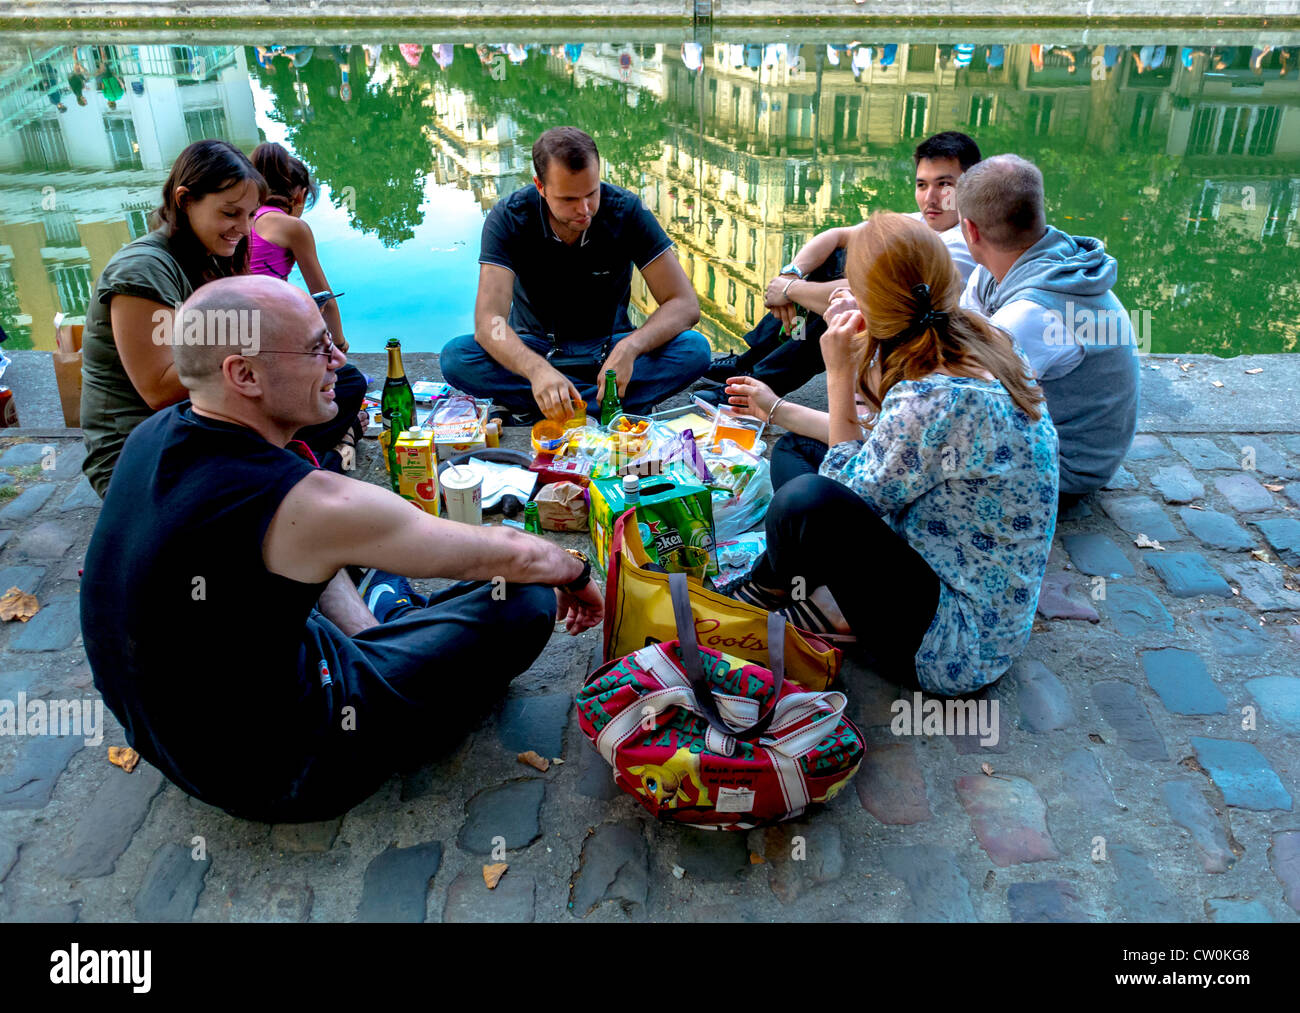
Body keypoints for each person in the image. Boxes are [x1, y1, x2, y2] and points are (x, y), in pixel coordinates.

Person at [81, 275, 604, 822]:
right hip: (282, 767)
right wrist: (572, 571)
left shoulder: (155, 433)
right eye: (316, 348)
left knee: (343, 549)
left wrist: (369, 638)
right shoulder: (311, 506)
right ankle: (390, 630)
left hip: (181, 727)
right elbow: (512, 554)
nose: (339, 358)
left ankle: (382, 627)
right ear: (244, 374)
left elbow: (303, 540)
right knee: (526, 599)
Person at [727, 213, 1058, 697]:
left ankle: (766, 591)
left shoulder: (934, 397)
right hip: (965, 579)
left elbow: (841, 491)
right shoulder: (985, 337)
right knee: (798, 449)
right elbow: (888, 442)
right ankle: (811, 596)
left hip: (951, 644)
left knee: (801, 502)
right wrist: (781, 408)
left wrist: (839, 373)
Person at [440, 126, 708, 423]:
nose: (585, 210)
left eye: (592, 193)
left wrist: (631, 347)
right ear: (540, 187)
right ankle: (605, 406)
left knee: (695, 349)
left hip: (610, 346)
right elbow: (490, 322)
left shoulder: (627, 211)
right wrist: (536, 370)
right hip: (535, 345)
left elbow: (684, 304)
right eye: (568, 199)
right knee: (456, 357)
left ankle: (552, 406)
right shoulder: (509, 217)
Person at [700, 131, 982, 400]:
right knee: (837, 261)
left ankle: (759, 384)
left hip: (923, 347)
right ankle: (752, 361)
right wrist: (792, 272)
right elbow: (838, 236)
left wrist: (790, 289)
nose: (930, 198)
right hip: (888, 325)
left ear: (970, 185)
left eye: (945, 185)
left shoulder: (963, 243)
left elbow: (876, 295)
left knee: (843, 313)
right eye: (922, 185)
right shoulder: (918, 222)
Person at [955, 154, 1140, 503]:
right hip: (1042, 432)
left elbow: (958, 396)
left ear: (971, 230)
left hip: (1066, 469)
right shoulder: (1010, 269)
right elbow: (961, 334)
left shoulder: (1032, 314)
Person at [250, 141, 366, 470]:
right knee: (351, 382)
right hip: (267, 348)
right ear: (298, 194)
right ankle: (303, 451)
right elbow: (324, 298)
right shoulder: (291, 226)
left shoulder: (239, 221)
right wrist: (339, 345)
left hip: (238, 340)